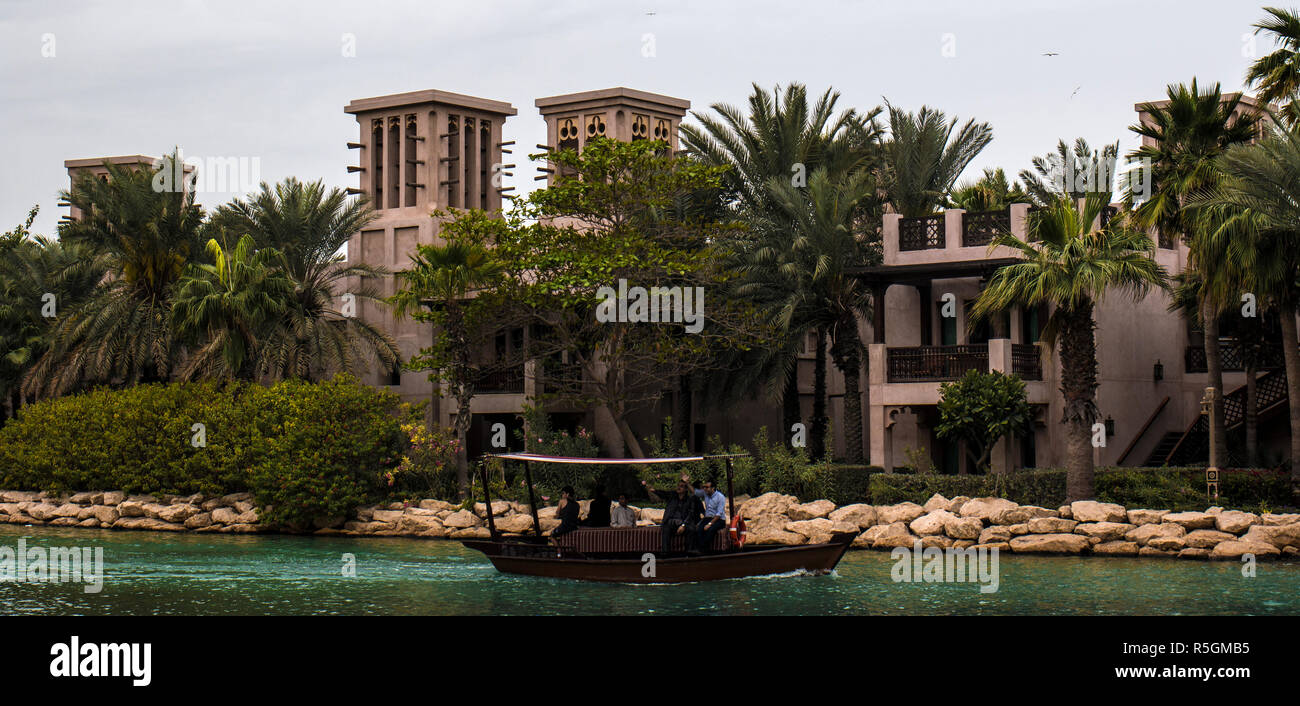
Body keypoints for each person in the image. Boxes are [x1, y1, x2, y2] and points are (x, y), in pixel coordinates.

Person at [644, 477, 703, 554]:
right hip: (671, 521)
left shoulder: (689, 499)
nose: (678, 487)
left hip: (683, 521)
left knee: (691, 529)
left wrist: (683, 525)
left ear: (685, 489)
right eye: (678, 485)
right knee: (666, 528)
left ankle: (689, 551)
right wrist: (653, 490)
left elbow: (690, 513)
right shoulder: (672, 495)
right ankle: (665, 552)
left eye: (681, 486)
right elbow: (663, 493)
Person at [688, 476, 728, 553]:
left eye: (707, 487)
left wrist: (710, 524)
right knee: (699, 528)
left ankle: (704, 549)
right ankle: (697, 548)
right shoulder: (705, 493)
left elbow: (719, 514)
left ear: (713, 488)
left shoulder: (720, 497)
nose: (705, 489)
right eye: (704, 487)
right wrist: (687, 483)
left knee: (710, 529)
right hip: (708, 517)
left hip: (719, 519)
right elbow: (695, 492)